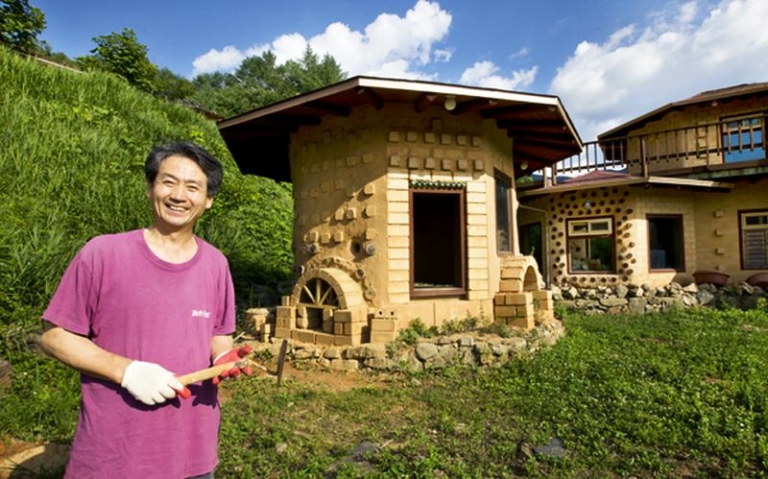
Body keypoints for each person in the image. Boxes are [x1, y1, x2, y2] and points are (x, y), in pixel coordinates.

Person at [40, 141, 251, 478]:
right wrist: (127, 371)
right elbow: (55, 337)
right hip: (114, 455)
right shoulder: (103, 254)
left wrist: (223, 357)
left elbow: (218, 334)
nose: (178, 195)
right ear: (151, 187)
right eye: (168, 182)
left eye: (193, 187)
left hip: (193, 454)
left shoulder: (216, 264)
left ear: (208, 200)